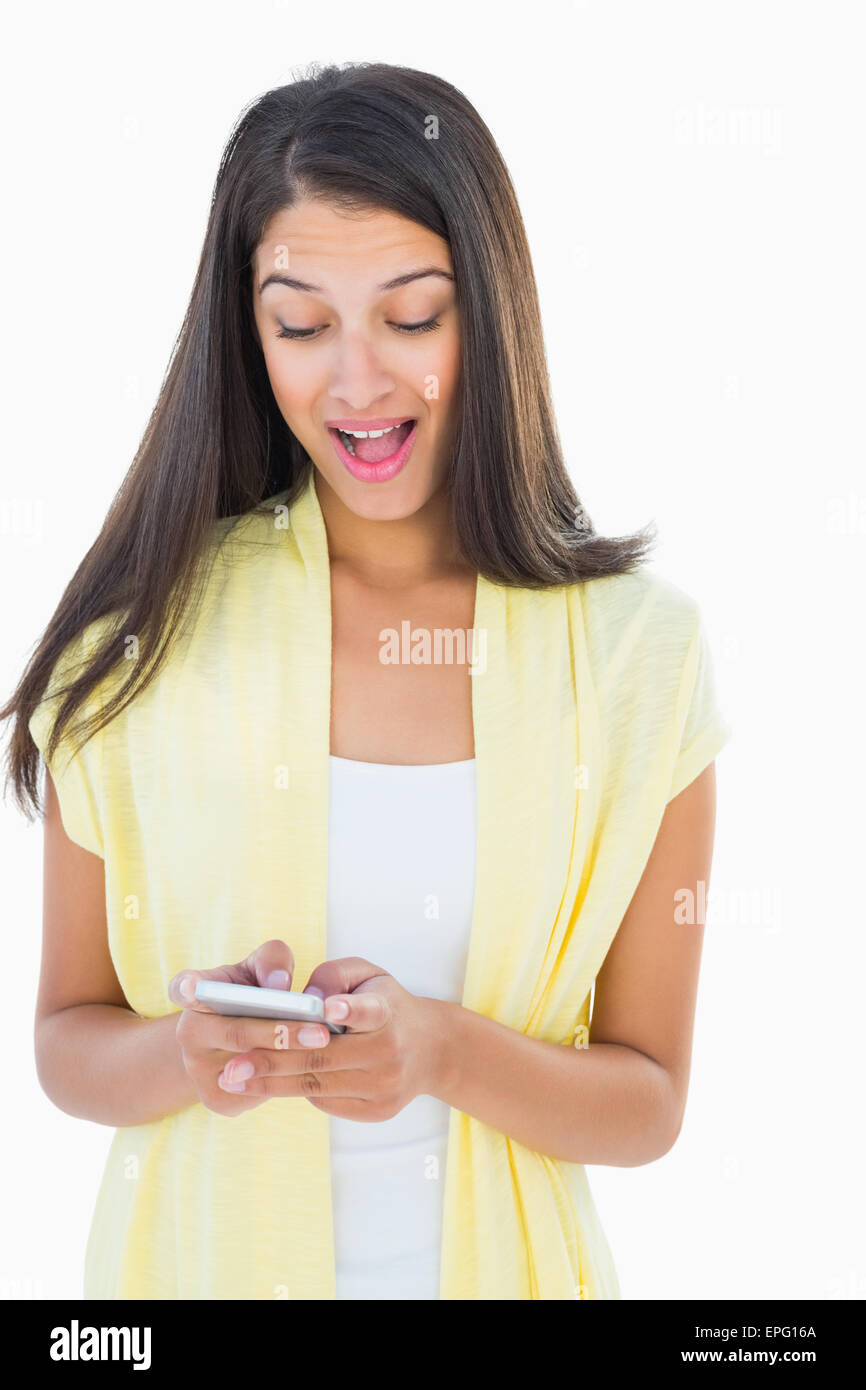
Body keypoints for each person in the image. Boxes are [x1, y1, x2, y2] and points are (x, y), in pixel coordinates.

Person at [2, 62, 731, 1300]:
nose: (357, 384)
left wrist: (441, 1052)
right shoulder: (139, 641)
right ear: (247, 332)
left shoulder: (636, 661)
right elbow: (68, 1044)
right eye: (300, 324)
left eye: (411, 315)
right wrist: (191, 1055)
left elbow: (647, 1097)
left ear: (488, 314)